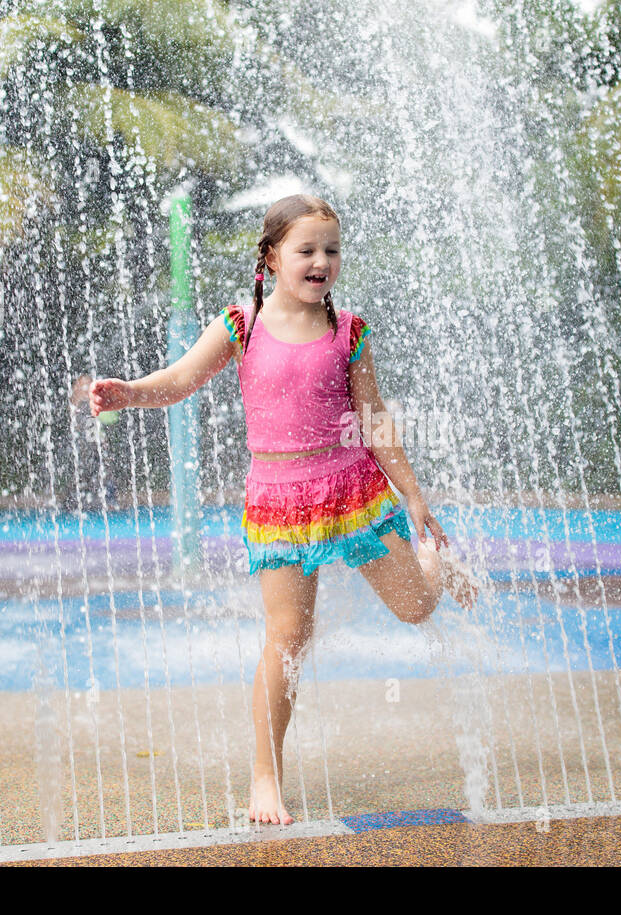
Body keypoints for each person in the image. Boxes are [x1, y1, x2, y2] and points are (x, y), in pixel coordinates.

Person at [89, 194, 480, 825]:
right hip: (278, 505)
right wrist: (130, 393)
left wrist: (411, 492)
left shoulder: (348, 330)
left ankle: (437, 567)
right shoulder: (242, 324)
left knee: (415, 608)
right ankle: (266, 775)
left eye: (331, 249)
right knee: (287, 638)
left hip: (351, 494)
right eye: (306, 250)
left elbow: (374, 420)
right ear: (272, 258)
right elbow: (183, 379)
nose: (321, 260)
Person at [70, 374, 119, 509]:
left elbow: (112, 420)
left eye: (88, 385)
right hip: (82, 449)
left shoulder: (99, 404)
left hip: (99, 447)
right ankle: (78, 500)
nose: (85, 389)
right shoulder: (75, 406)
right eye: (82, 386)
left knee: (105, 472)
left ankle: (109, 500)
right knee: (81, 473)